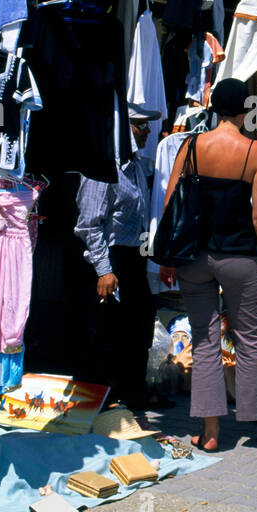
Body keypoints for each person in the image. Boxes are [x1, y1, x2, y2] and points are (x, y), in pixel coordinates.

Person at [158, 79, 257, 451]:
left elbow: (170, 203)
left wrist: (168, 256)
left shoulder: (191, 146)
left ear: (212, 108)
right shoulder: (255, 153)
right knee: (251, 344)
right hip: (239, 257)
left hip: (194, 257)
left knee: (206, 340)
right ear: (245, 112)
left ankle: (210, 434)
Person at [74, 105, 171, 411]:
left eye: (147, 125)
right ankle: (100, 399)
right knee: (107, 332)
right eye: (139, 125)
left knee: (138, 329)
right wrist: (104, 269)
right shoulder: (103, 168)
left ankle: (132, 394)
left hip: (134, 257)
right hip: (111, 258)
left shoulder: (138, 166)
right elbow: (89, 223)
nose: (146, 131)